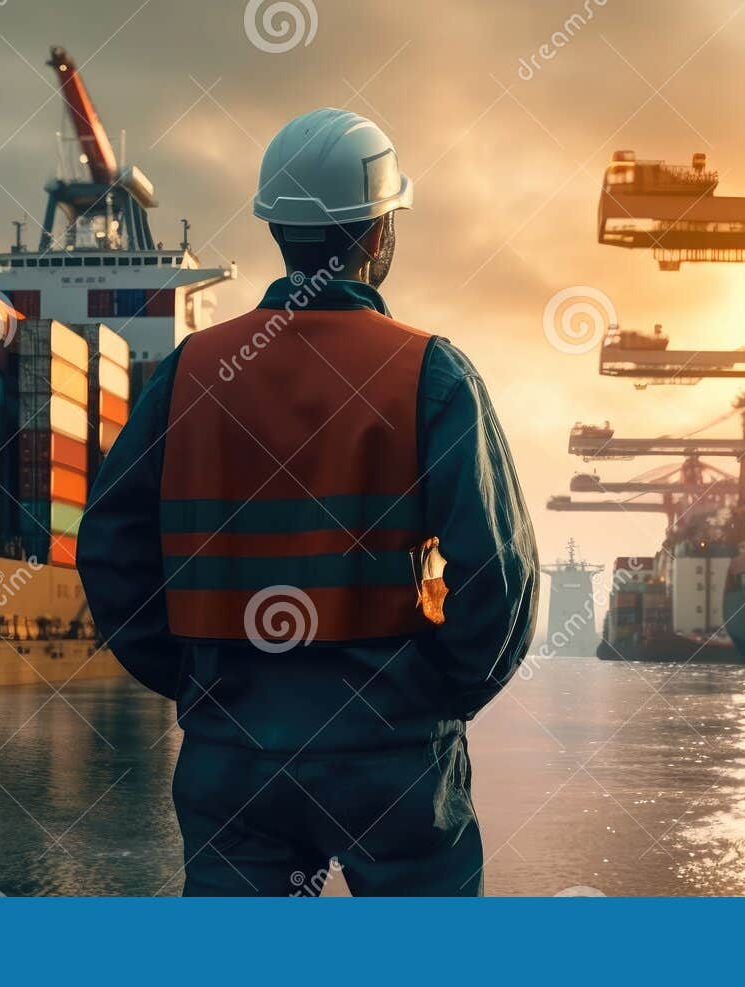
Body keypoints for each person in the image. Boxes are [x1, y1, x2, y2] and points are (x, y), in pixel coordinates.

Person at [77, 108, 538, 896]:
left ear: (277, 231)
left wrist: (201, 684)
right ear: (380, 233)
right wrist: (435, 698)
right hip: (393, 759)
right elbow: (499, 576)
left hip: (233, 753)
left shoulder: (193, 371)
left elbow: (111, 551)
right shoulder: (432, 374)